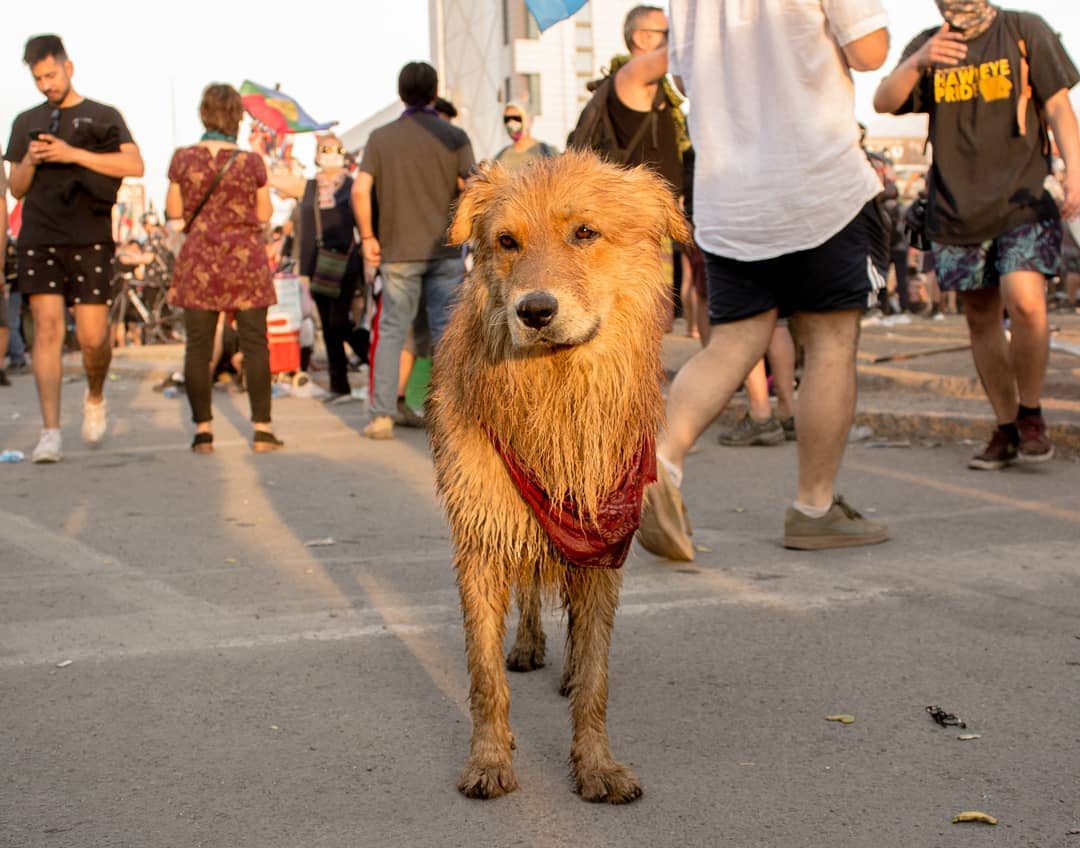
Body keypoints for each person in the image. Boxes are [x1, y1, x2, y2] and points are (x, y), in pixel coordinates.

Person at [637, 0, 892, 559]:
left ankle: (660, 463)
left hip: (730, 196)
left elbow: (682, 78)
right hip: (818, 185)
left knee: (733, 342)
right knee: (830, 342)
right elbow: (869, 51)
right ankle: (814, 509)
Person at [873, 0, 1080, 470]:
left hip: (1022, 199)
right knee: (980, 317)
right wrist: (919, 60)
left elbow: (1058, 105)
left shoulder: (1023, 30)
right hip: (955, 207)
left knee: (1025, 301)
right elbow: (883, 100)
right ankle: (1006, 427)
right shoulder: (931, 42)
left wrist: (1075, 171)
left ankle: (1031, 414)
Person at [4, 34, 144, 462]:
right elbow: (16, 188)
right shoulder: (25, 121)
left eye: (51, 74)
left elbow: (134, 164)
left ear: (68, 67)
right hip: (40, 235)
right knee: (47, 330)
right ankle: (50, 432)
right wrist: (32, 159)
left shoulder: (103, 115)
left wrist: (72, 153)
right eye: (38, 78)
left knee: (92, 338)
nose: (46, 84)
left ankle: (95, 394)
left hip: (89, 235)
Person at [353, 61, 475, 440]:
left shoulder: (380, 138)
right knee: (447, 332)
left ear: (400, 93)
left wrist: (369, 237)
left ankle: (382, 416)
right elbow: (474, 188)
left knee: (392, 331)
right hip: (445, 250)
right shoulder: (454, 137)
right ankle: (453, 417)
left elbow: (359, 190)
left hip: (397, 250)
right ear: (435, 93)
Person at [166, 83, 282, 454]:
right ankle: (262, 430)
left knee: (198, 348)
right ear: (237, 117)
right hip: (245, 262)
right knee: (255, 344)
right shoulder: (251, 163)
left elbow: (174, 211)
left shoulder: (183, 159)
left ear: (204, 114)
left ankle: (203, 431)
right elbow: (264, 213)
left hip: (199, 261)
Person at [271, 133, 364, 403]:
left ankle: (371, 356)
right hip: (318, 264)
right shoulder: (309, 187)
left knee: (339, 322)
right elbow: (307, 232)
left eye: (337, 150)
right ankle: (339, 385)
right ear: (317, 155)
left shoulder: (353, 186)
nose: (331, 154)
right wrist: (304, 272)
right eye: (325, 150)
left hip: (346, 263)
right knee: (328, 324)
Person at [493, 102, 557, 173]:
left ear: (528, 120)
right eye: (507, 120)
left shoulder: (547, 152)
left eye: (516, 118)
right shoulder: (500, 158)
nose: (511, 123)